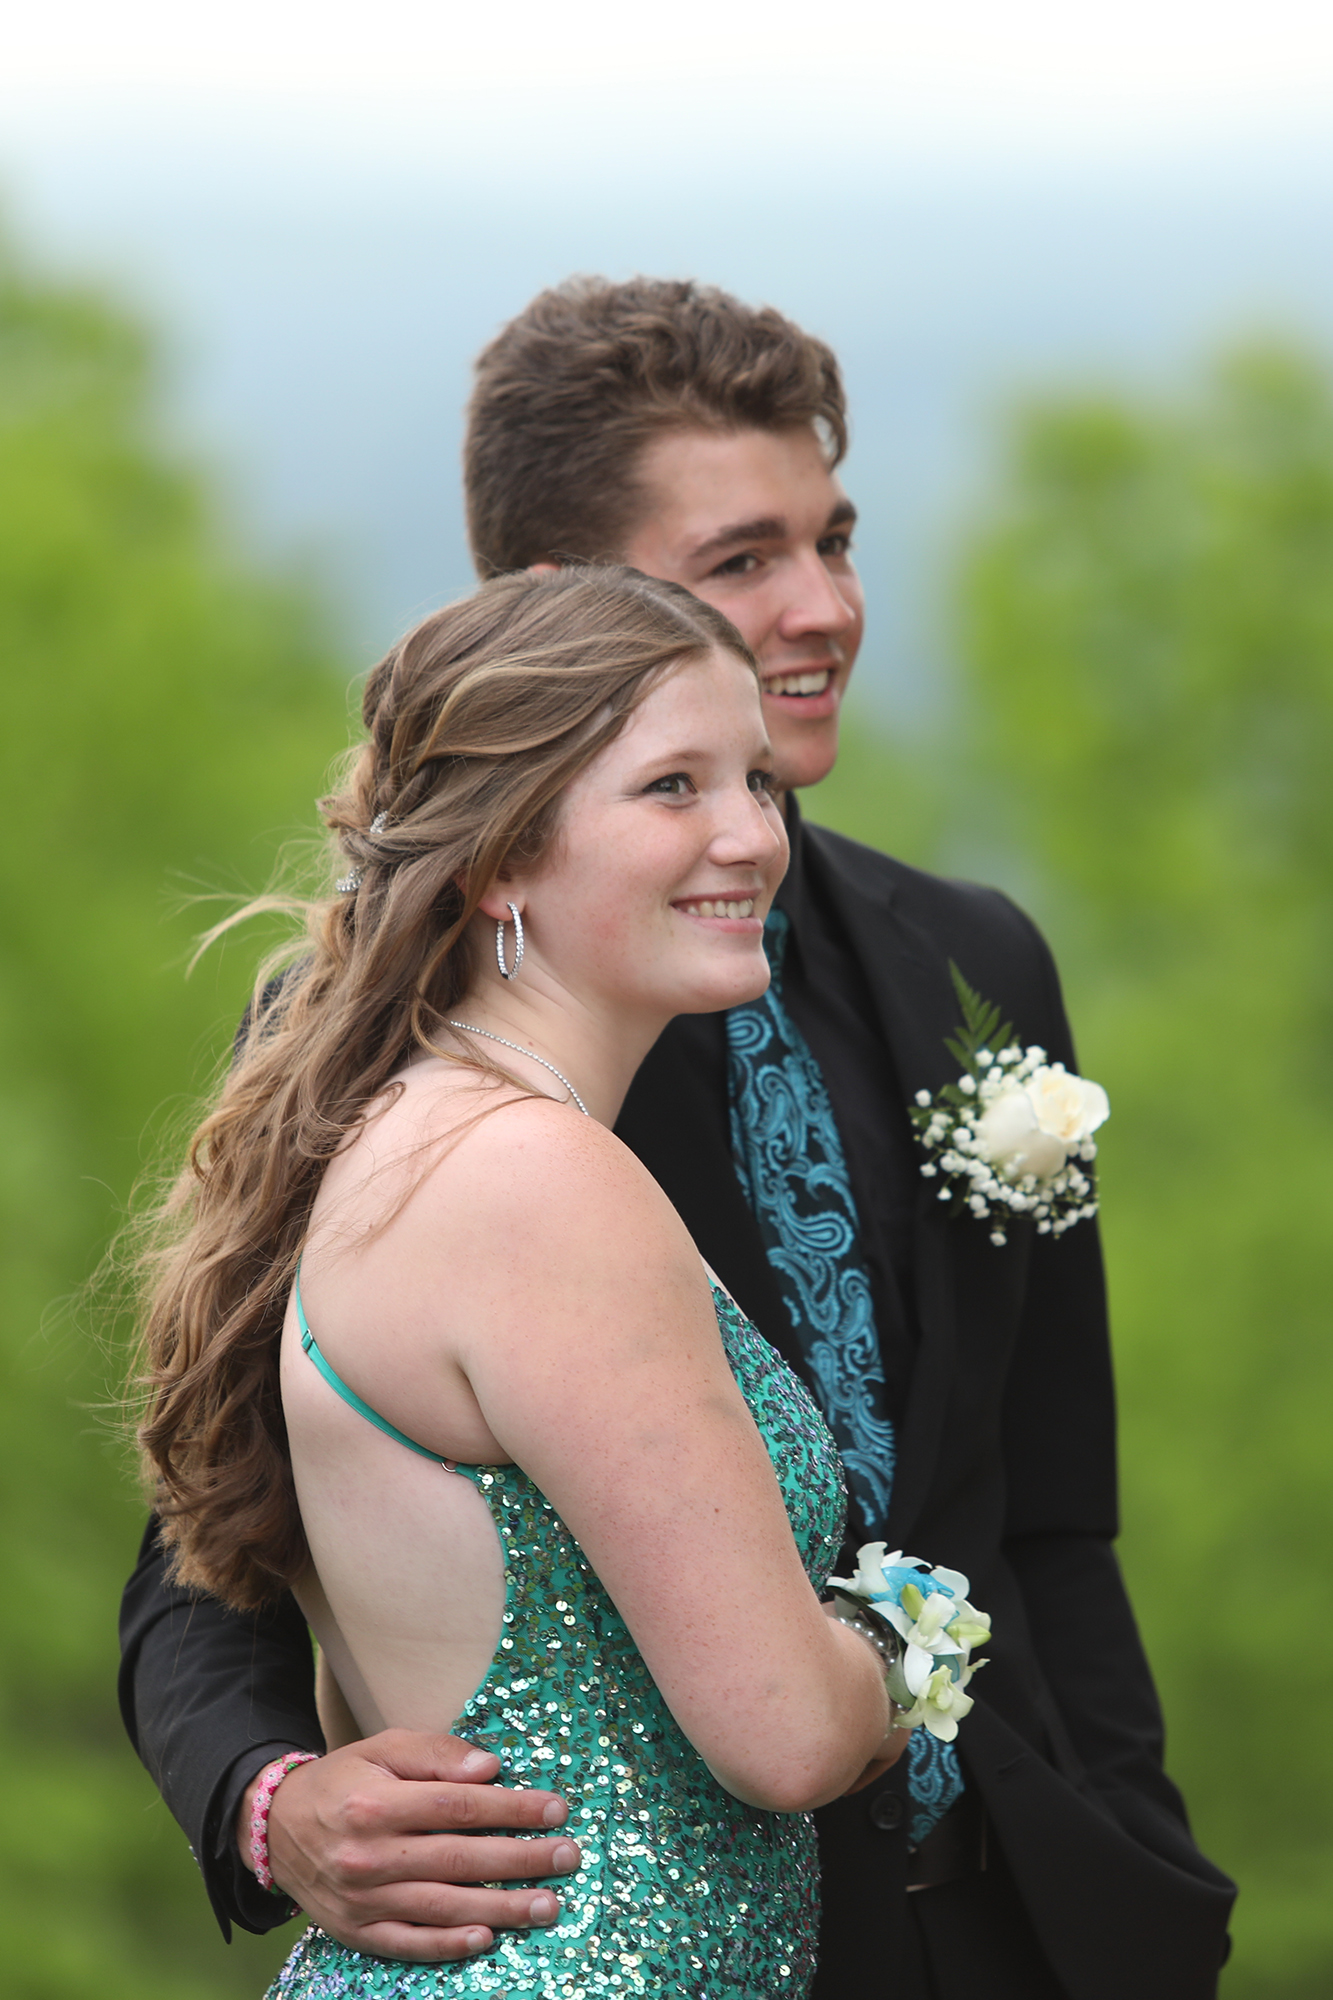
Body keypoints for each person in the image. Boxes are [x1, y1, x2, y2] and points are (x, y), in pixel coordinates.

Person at [121, 280, 1237, 1998]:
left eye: (834, 537)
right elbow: (217, 1511)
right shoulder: (402, 1054)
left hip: (1011, 1911)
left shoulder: (979, 963)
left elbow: (1050, 1510)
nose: (821, 608)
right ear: (554, 618)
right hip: (636, 1923)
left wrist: (1143, 1896)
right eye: (739, 563)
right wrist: (271, 1801)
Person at [134, 563, 908, 1998]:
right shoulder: (534, 1184)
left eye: (752, 777)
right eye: (670, 787)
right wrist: (899, 1640)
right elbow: (784, 1733)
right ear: (500, 858)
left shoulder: (414, 1137)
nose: (750, 833)